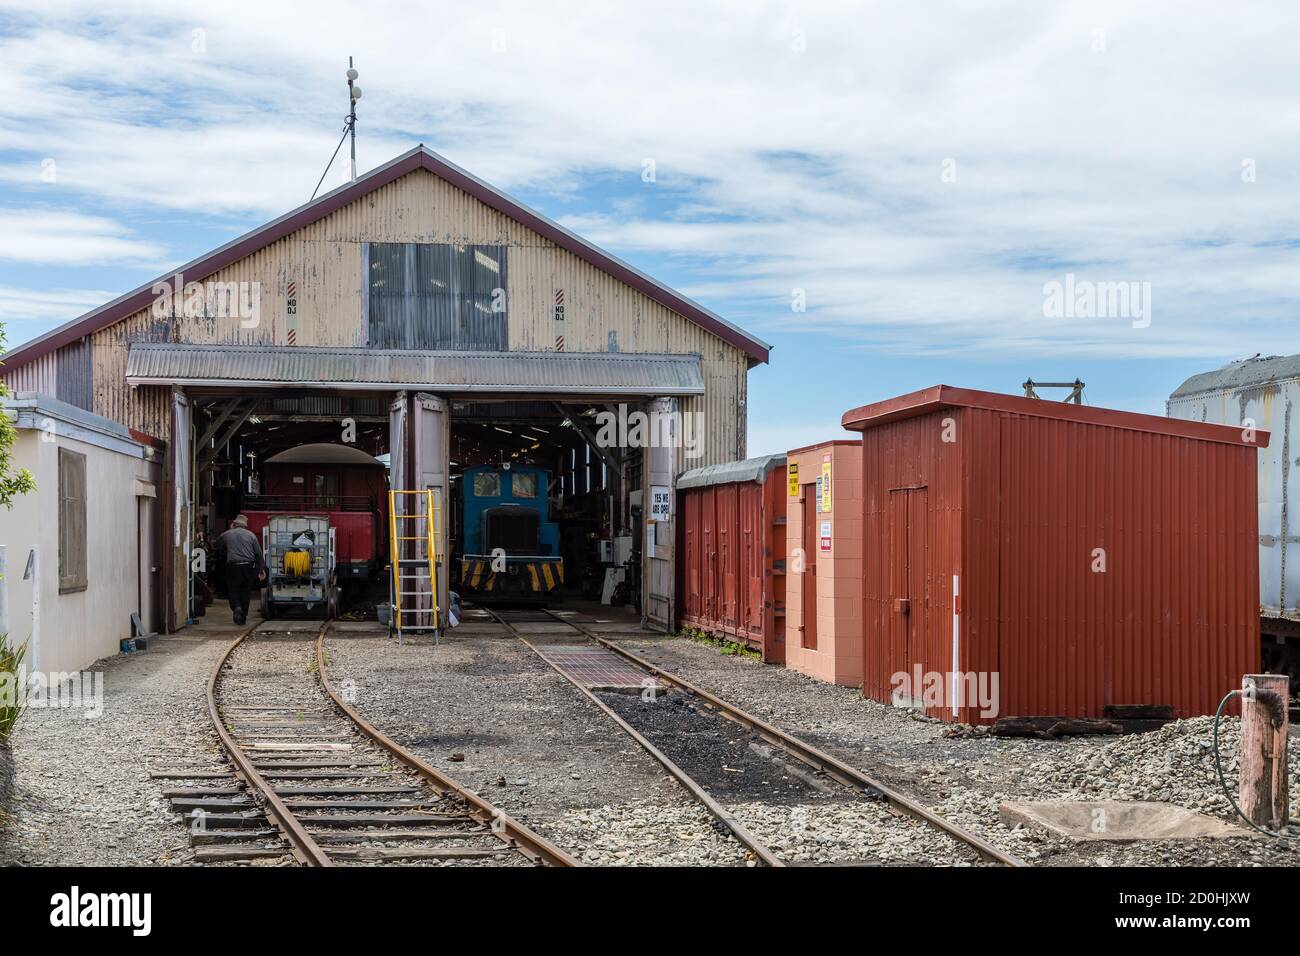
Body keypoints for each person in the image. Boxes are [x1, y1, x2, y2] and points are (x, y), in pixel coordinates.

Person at [217, 515, 266, 626]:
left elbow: (218, 545)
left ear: (234, 524)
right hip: (248, 567)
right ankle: (242, 617)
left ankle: (236, 607)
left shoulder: (227, 534)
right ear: (245, 525)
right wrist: (261, 569)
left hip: (233, 567)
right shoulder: (251, 536)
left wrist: (229, 531)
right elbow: (258, 554)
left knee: (233, 590)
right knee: (246, 592)